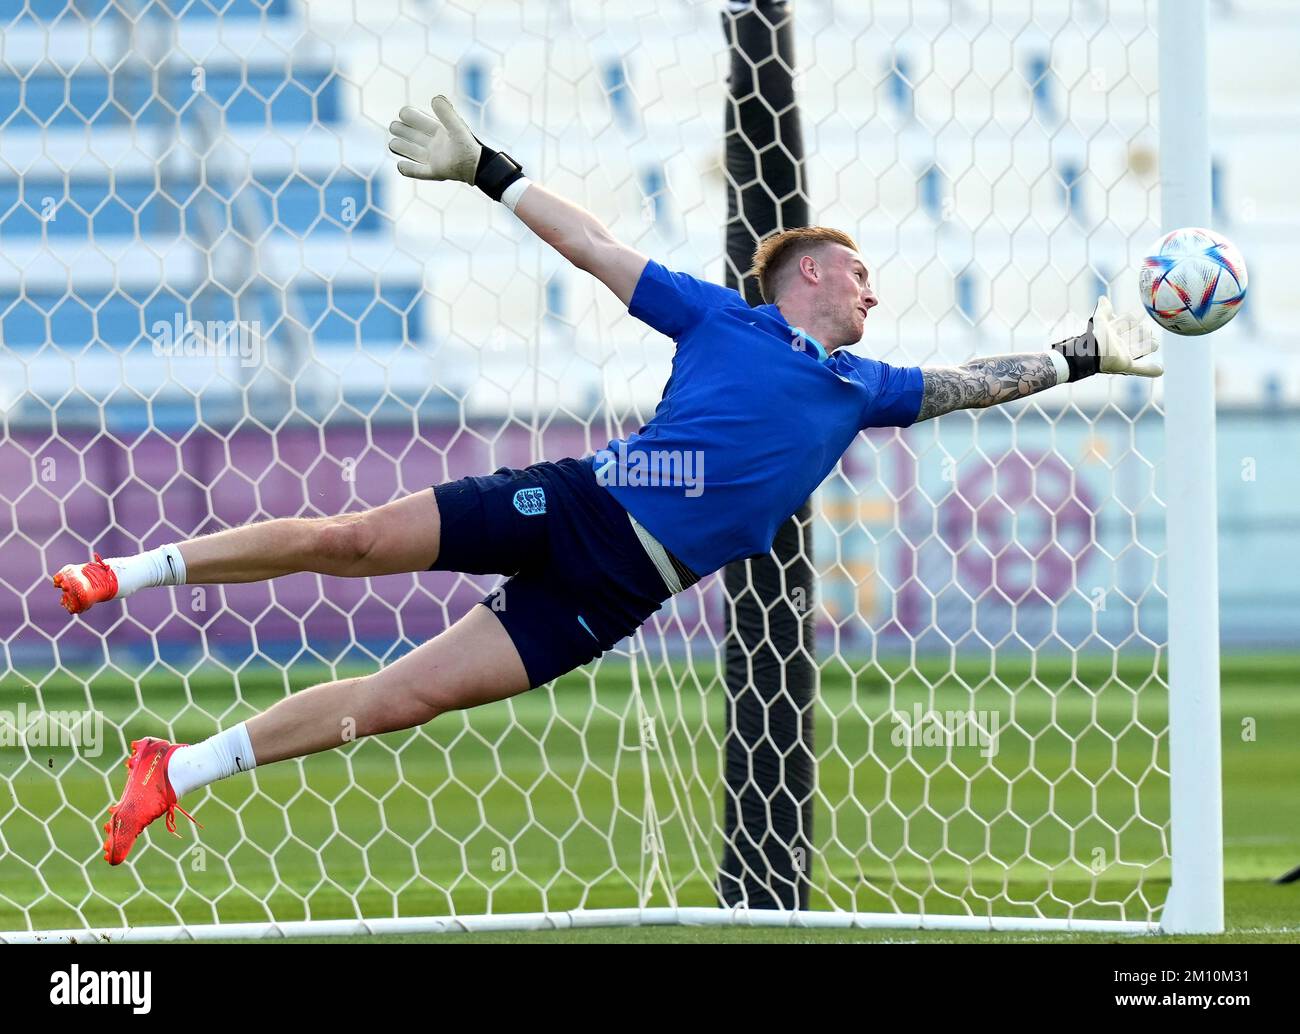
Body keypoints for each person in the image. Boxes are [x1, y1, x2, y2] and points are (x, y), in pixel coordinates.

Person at [51, 96, 1161, 865]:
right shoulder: (720, 316)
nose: (875, 292)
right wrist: (487, 167)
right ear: (812, 274)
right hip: (579, 499)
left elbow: (972, 382)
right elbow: (592, 246)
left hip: (620, 590)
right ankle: (127, 569)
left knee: (402, 701)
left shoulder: (865, 384)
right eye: (861, 273)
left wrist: (1081, 353)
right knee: (352, 540)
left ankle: (175, 767)